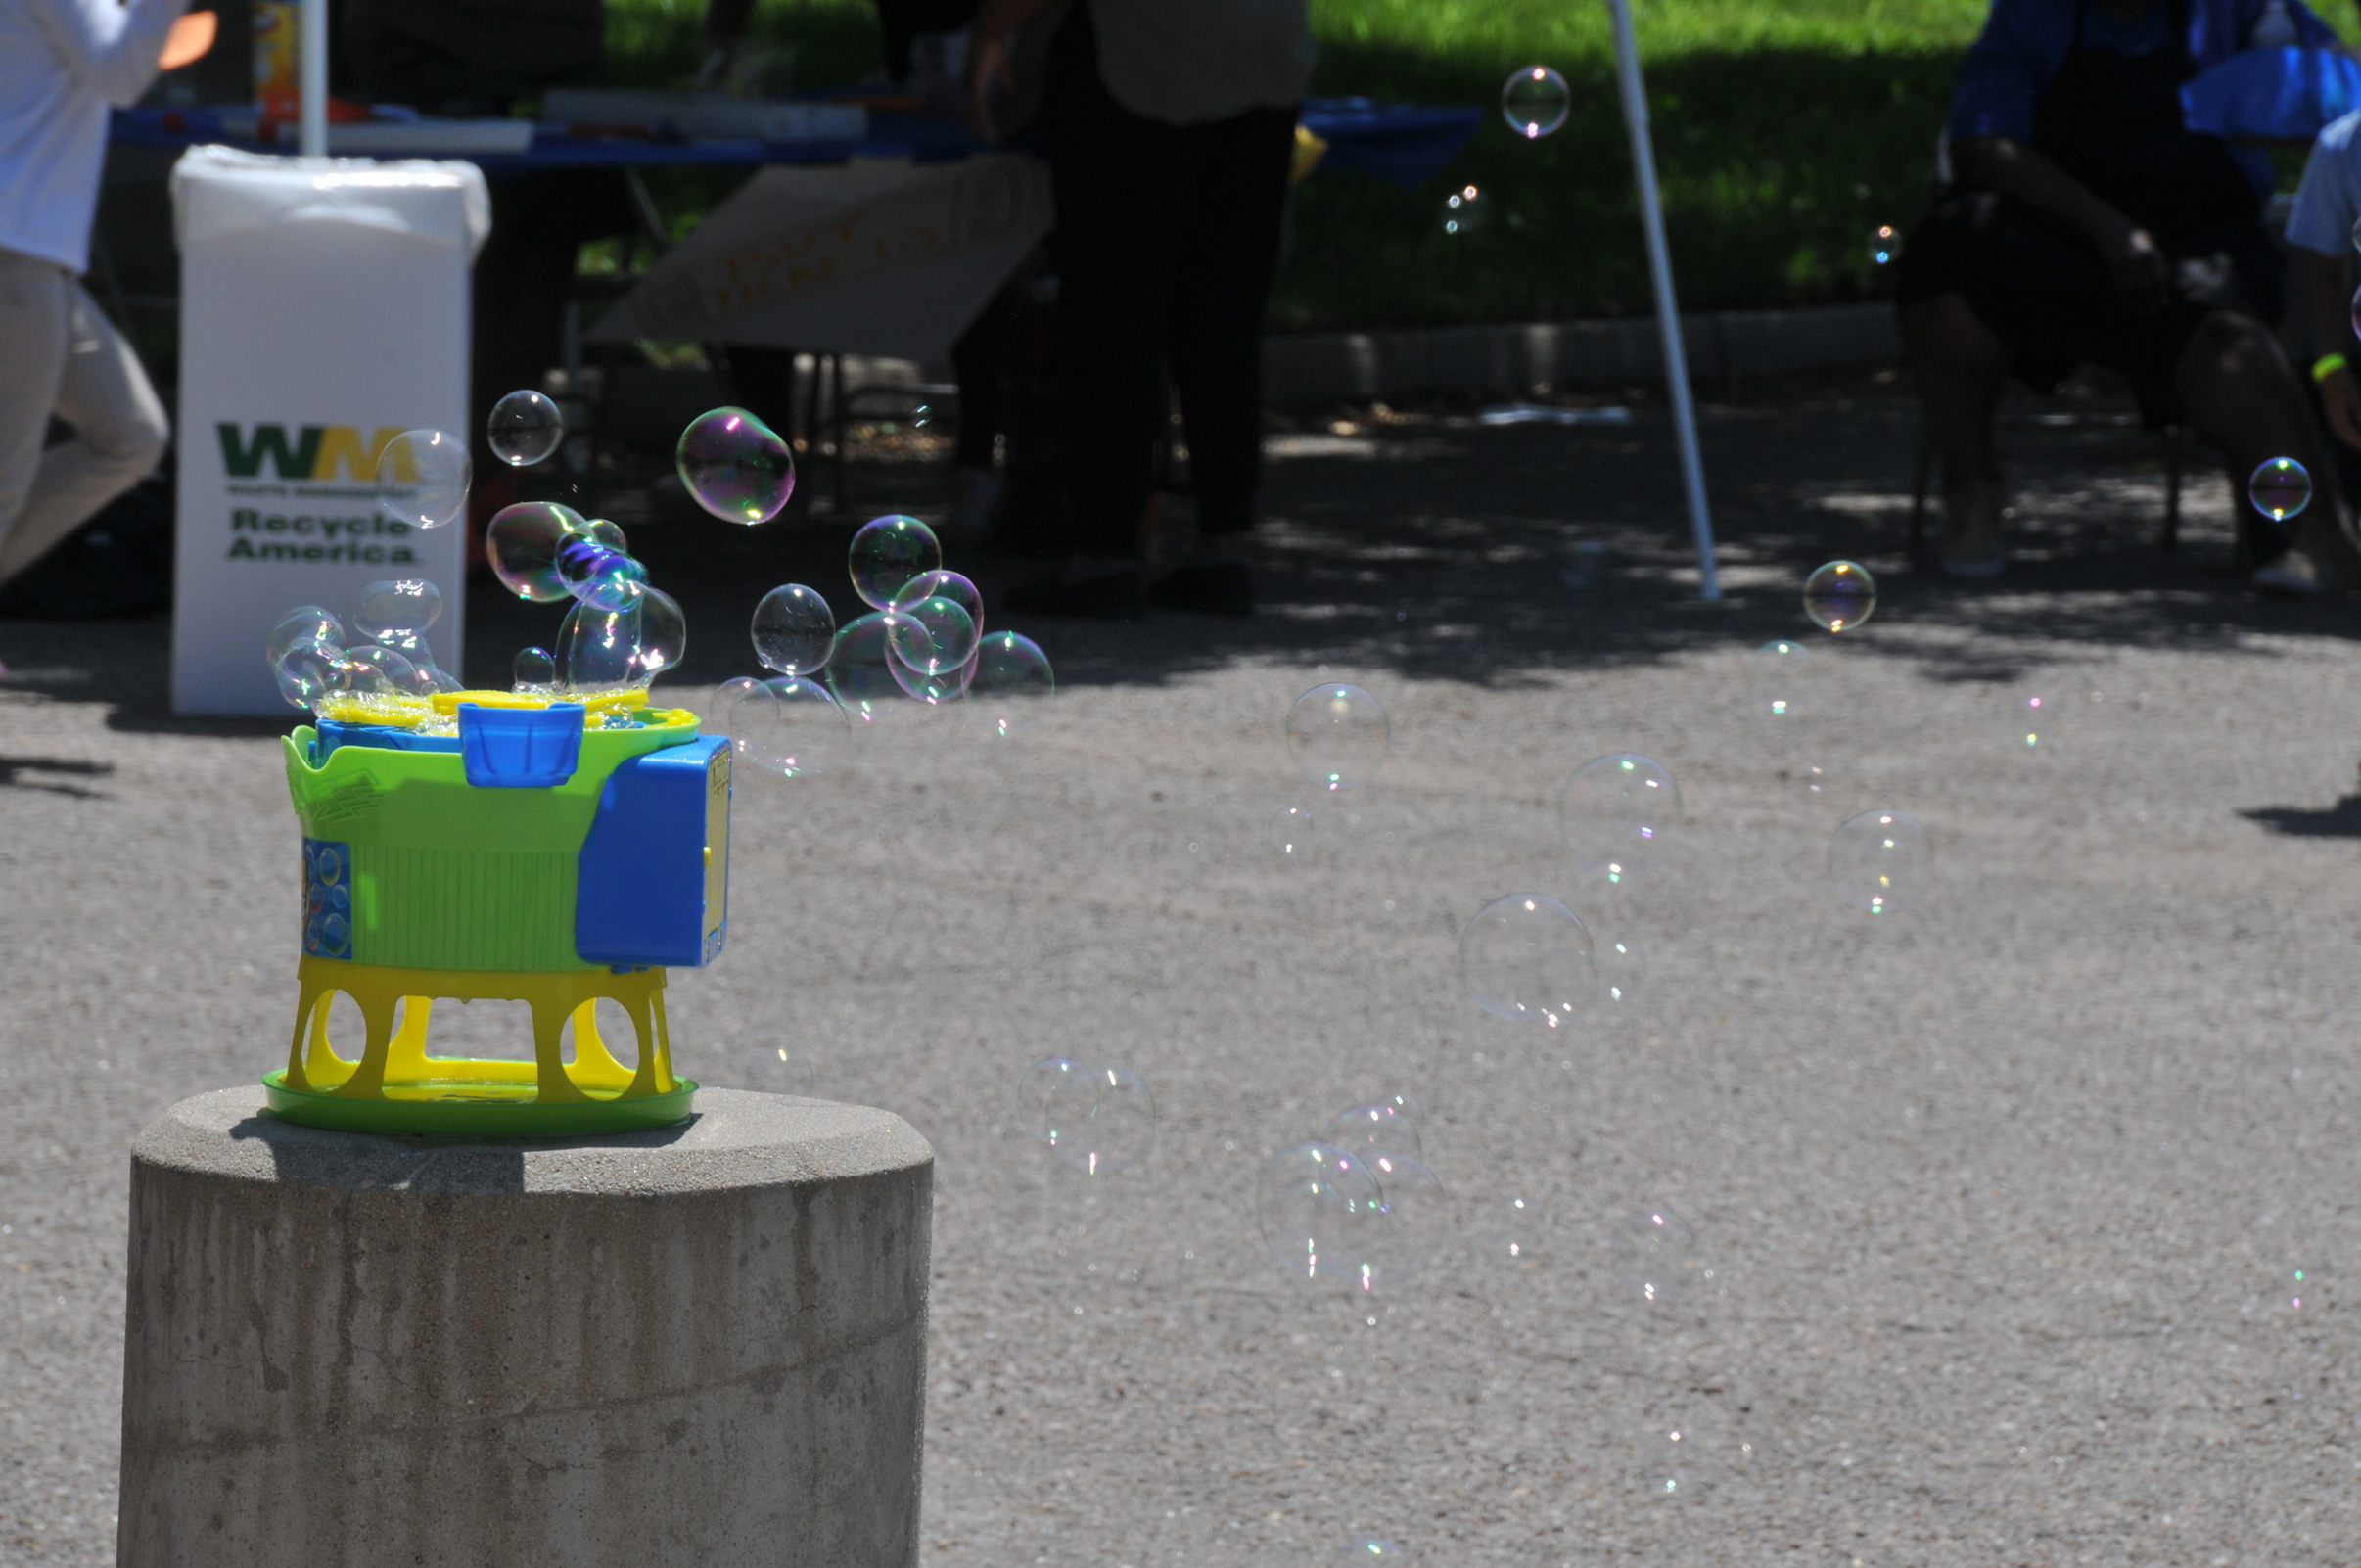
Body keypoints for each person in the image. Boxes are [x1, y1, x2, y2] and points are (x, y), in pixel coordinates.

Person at [1896, 0, 2361, 589]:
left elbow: (2343, 94)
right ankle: (1970, 492)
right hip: (2053, 235)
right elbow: (1980, 145)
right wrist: (2104, 226)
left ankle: (2310, 531)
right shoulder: (2032, 14)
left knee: (2231, 339)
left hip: (2195, 237)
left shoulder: (2234, 10)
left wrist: (2282, 71)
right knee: (1948, 255)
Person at [968, 0, 1315, 616]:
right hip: (1267, 50)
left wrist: (995, 27)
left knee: (1115, 308)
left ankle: (1106, 553)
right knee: (1225, 309)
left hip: (1147, 60)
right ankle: (1225, 547)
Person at [0, 0, 200, 591]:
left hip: (32, 253)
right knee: (5, 478)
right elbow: (120, 72)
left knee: (130, 436)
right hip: (17, 251)